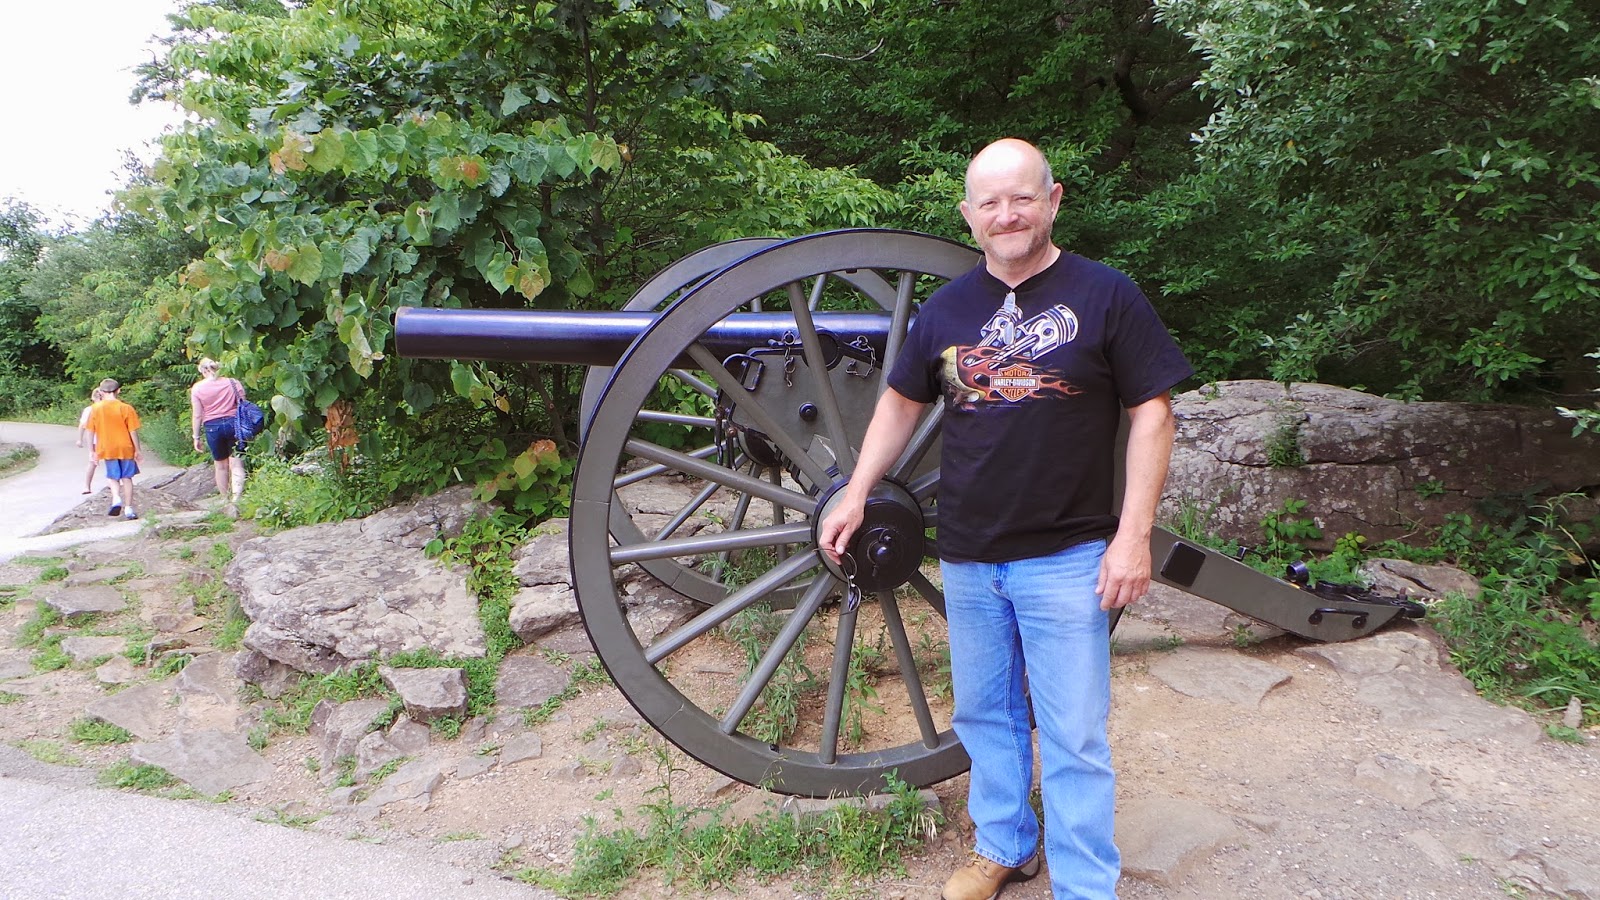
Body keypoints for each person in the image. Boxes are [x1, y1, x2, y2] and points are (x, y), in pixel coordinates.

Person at [819, 138, 1193, 900]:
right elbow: (899, 400)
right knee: (986, 717)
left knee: (1073, 737)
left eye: (1022, 197)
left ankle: (1086, 885)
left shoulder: (1106, 295)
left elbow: (1153, 414)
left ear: (1054, 201)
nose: (1007, 214)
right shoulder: (949, 309)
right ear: (969, 216)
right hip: (967, 552)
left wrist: (1132, 537)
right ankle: (1005, 846)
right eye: (989, 202)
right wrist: (857, 489)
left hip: (1066, 555)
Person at [188, 357, 247, 512]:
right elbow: (243, 404)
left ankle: (225, 499)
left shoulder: (197, 388)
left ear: (202, 370)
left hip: (212, 427)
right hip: (234, 423)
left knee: (220, 465)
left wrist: (196, 436)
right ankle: (237, 498)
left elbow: (197, 415)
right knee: (237, 462)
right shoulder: (233, 382)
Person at [85, 378, 144, 520]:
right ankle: (129, 509)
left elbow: (90, 431)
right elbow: (133, 431)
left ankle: (116, 498)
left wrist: (91, 451)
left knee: (113, 477)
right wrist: (138, 450)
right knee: (127, 478)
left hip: (106, 447)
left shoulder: (95, 409)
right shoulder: (126, 408)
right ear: (119, 391)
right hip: (126, 447)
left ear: (101, 392)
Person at [75, 389, 122, 509]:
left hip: (103, 439)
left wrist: (80, 439)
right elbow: (83, 425)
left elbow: (82, 426)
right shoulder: (91, 409)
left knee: (105, 460)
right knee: (98, 461)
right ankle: (89, 485)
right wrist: (80, 439)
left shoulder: (100, 408)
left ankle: (111, 482)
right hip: (100, 439)